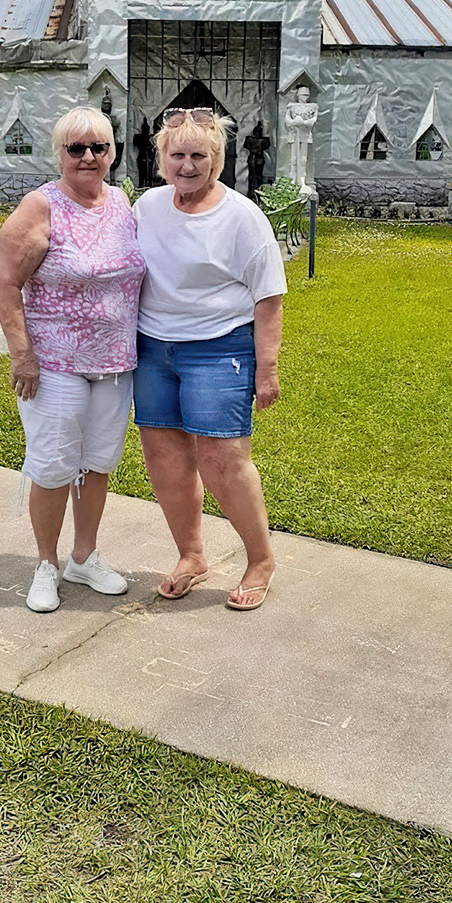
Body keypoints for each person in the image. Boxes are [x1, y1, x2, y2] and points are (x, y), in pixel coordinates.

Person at [132, 106, 287, 611]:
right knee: (165, 457)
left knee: (222, 460)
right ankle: (191, 555)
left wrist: (267, 369)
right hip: (153, 350)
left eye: (200, 154)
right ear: (161, 159)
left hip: (221, 350)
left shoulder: (242, 217)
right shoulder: (147, 208)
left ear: (218, 158)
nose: (188, 165)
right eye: (177, 155)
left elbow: (269, 298)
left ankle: (260, 559)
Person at [0, 106, 146, 613]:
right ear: (58, 153)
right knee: (55, 465)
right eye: (75, 148)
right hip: (54, 361)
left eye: (98, 147)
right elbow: (7, 281)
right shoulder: (41, 207)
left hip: (115, 360)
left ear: (112, 153)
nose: (88, 156)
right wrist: (22, 356)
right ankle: (46, 564)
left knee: (98, 463)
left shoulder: (122, 201)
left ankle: (84, 557)